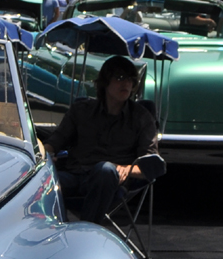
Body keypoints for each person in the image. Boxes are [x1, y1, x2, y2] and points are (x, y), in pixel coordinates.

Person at [44, 55, 158, 224]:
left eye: (131, 79)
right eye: (120, 78)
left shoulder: (141, 117)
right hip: (75, 174)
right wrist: (41, 155)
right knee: (42, 180)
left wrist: (127, 169)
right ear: (105, 81)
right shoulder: (81, 110)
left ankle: (87, 231)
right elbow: (55, 142)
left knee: (105, 170)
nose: (126, 83)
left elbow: (151, 164)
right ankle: (50, 233)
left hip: (109, 181)